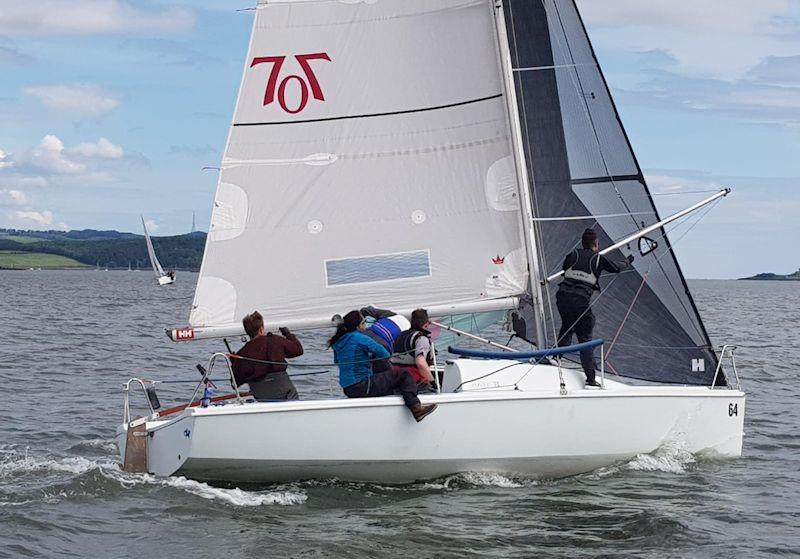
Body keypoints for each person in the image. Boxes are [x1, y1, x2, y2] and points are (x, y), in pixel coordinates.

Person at [556, 228, 633, 388]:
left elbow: (566, 268)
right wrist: (628, 261)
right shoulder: (599, 259)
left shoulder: (572, 255)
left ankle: (553, 357)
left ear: (582, 243)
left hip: (562, 297)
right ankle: (590, 379)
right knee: (585, 339)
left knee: (567, 327)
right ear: (596, 244)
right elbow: (617, 268)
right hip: (580, 301)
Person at [329, 310, 437, 422]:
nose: (366, 326)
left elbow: (337, 361)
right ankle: (416, 408)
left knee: (388, 378)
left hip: (348, 388)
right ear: (358, 326)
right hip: (363, 386)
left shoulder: (337, 342)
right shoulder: (360, 338)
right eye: (364, 323)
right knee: (403, 374)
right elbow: (384, 354)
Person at [231, 311, 303, 401]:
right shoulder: (275, 340)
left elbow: (235, 383)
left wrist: (234, 363)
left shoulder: (241, 354)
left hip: (261, 398)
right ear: (261, 329)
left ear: (247, 331)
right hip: (285, 394)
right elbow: (298, 350)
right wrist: (288, 335)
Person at [391, 309, 436, 393]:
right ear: (426, 324)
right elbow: (421, 363)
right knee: (433, 390)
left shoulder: (401, 335)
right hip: (414, 381)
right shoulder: (421, 338)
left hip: (395, 379)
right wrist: (433, 382)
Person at [360, 305, 411, 373]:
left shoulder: (389, 314)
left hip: (368, 333)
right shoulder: (409, 333)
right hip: (384, 345)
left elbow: (364, 310)